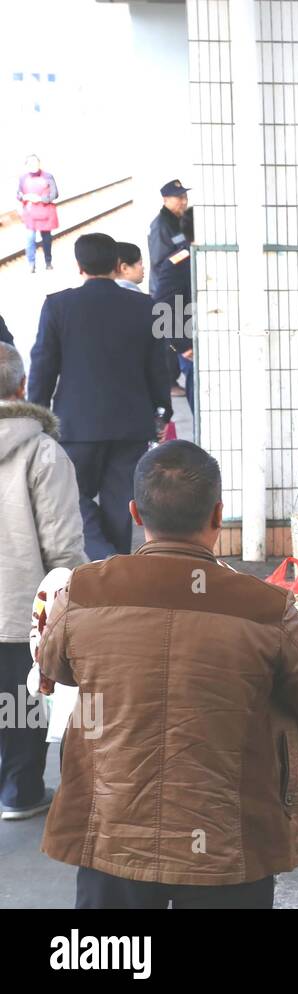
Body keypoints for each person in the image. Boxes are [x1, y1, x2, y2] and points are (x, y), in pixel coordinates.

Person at [35, 441, 298, 908]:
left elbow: (54, 669)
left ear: (136, 514)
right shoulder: (266, 607)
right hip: (228, 840)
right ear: (218, 515)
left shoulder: (83, 593)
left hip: (114, 833)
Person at [28, 233, 173, 560]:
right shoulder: (146, 306)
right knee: (121, 501)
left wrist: (35, 416)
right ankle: (114, 567)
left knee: (69, 496)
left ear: (79, 266)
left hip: (77, 425)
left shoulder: (58, 305)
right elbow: (158, 366)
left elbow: (43, 367)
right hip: (131, 424)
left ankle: (103, 556)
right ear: (115, 265)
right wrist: (162, 412)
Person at [0, 343, 85, 821]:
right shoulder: (41, 450)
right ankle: (20, 790)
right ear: (22, 387)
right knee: (18, 699)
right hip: (16, 605)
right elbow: (61, 542)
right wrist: (75, 592)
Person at [148, 180, 196, 414]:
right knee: (169, 342)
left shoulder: (178, 220)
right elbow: (160, 262)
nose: (184, 201)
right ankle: (168, 381)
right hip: (167, 287)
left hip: (177, 288)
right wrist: (184, 346)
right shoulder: (160, 226)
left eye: (185, 197)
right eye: (179, 198)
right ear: (166, 199)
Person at [17, 155, 58, 273]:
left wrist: (40, 199)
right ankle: (31, 264)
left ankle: (48, 261)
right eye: (30, 164)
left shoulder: (48, 176)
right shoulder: (23, 178)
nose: (33, 166)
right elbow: (18, 194)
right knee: (30, 239)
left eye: (35, 163)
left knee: (46, 239)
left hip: (45, 211)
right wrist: (24, 197)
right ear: (26, 165)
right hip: (30, 213)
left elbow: (55, 194)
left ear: (39, 163)